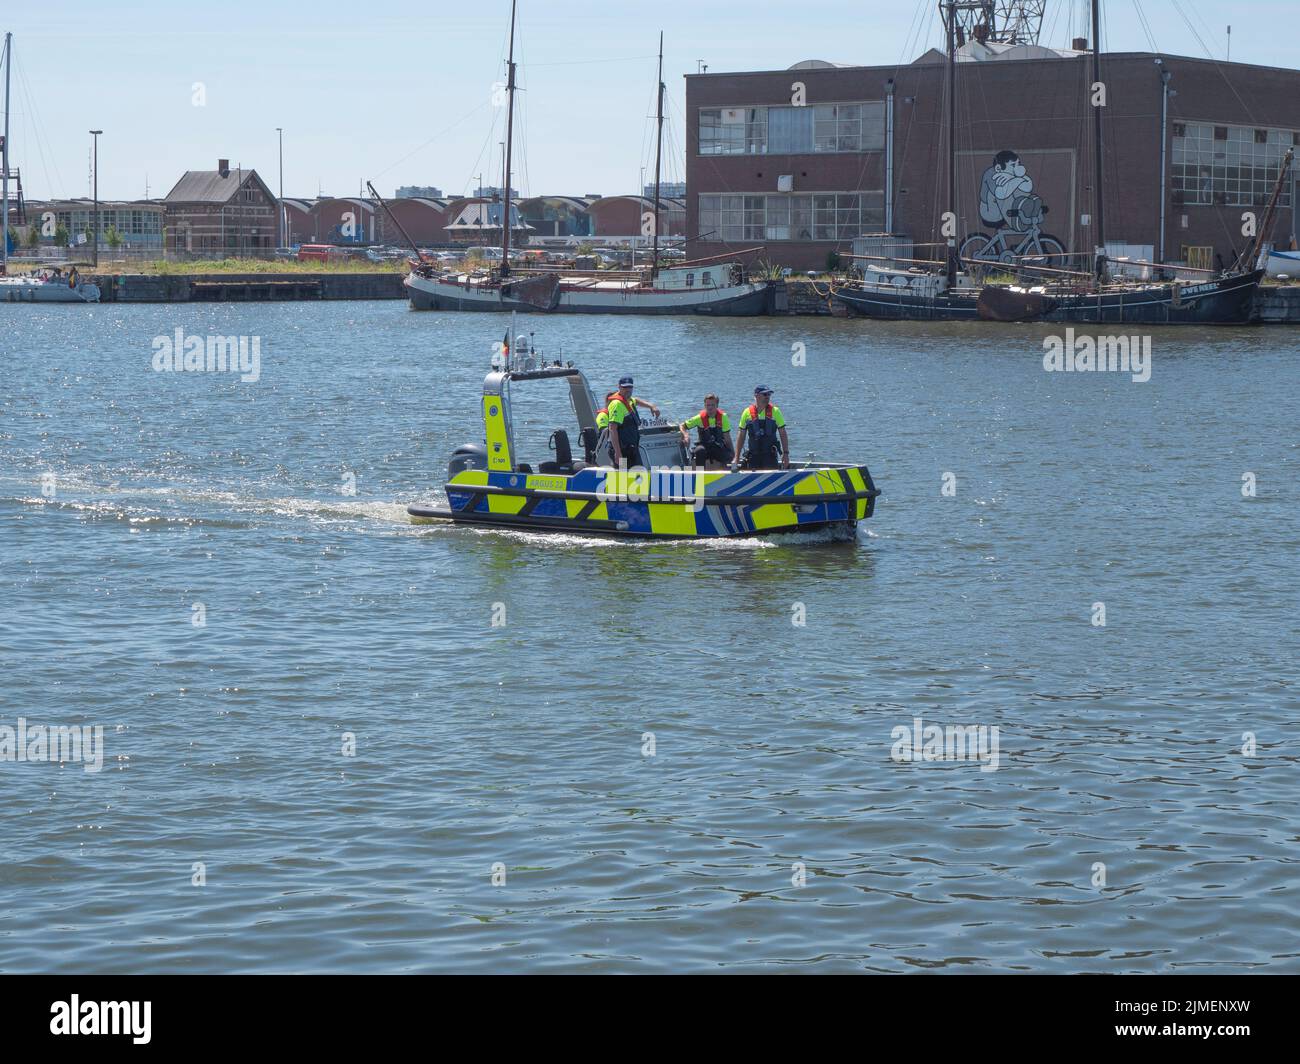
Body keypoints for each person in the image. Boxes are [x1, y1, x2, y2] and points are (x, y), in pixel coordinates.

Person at [606, 376, 659, 468]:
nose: (628, 390)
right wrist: (618, 453)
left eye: (630, 387)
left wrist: (651, 405)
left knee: (637, 477)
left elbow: (636, 400)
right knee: (623, 479)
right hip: (622, 451)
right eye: (625, 387)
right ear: (619, 387)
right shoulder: (617, 404)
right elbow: (612, 429)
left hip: (631, 449)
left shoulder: (628, 400)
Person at [733, 385, 789, 471]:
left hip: (770, 457)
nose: (767, 397)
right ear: (756, 396)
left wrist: (785, 454)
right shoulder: (747, 412)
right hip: (753, 457)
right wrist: (736, 458)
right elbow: (741, 436)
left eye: (769, 395)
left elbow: (783, 433)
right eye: (765, 394)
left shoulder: (776, 411)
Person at [679, 393, 734, 469]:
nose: (710, 408)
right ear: (705, 406)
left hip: (718, 447)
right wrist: (686, 436)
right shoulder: (699, 418)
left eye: (712, 405)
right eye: (708, 405)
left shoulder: (723, 417)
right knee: (699, 451)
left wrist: (734, 454)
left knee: (729, 455)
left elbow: (727, 438)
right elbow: (682, 426)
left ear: (717, 406)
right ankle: (700, 477)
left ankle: (727, 477)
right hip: (704, 446)